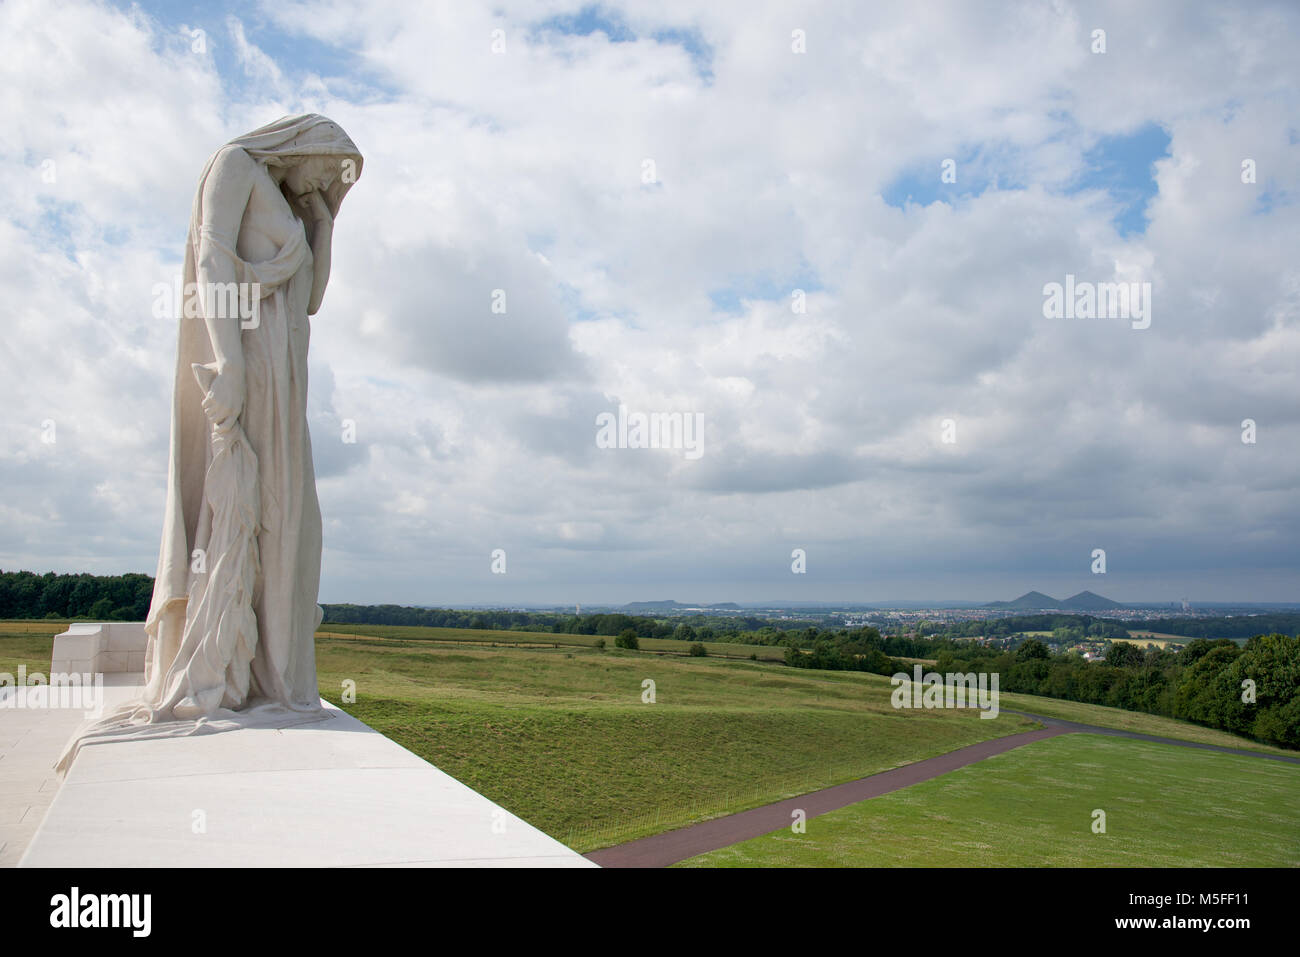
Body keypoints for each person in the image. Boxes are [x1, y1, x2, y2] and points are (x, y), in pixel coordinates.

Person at [57, 115, 364, 770]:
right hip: (249, 368)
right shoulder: (234, 165)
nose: (331, 186)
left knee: (295, 525)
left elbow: (309, 300)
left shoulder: (289, 205)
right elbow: (211, 255)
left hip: (287, 386)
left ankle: (278, 674)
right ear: (307, 144)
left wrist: (325, 225)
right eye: (333, 172)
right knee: (246, 513)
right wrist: (225, 359)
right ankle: (227, 667)